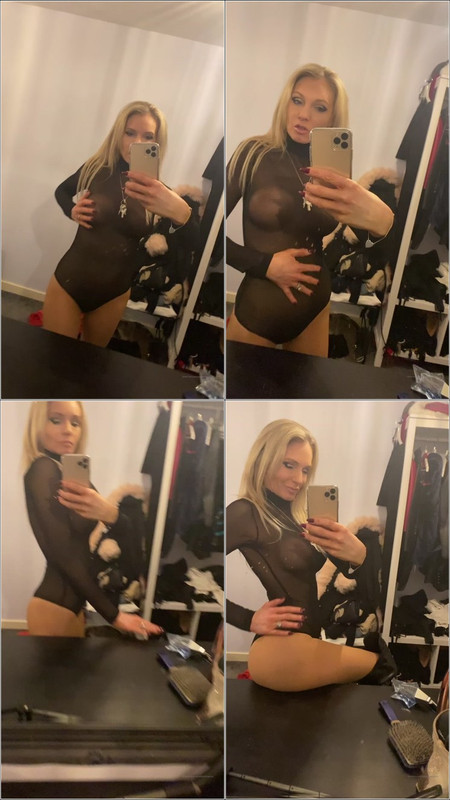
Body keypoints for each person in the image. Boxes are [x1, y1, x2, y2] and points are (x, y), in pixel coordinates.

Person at [226, 63, 394, 356]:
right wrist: (264, 264)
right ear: (286, 102)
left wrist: (380, 224)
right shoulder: (251, 154)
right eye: (297, 100)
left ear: (333, 117)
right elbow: (208, 238)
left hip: (315, 310)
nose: (304, 114)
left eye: (320, 107)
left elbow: (365, 242)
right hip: (259, 313)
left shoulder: (330, 171)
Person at [226, 419, 397, 691]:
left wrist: (358, 554)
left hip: (303, 642)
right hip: (281, 649)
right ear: (264, 460)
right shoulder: (246, 512)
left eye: (306, 470)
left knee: (376, 656)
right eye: (289, 465)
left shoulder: (299, 517)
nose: (299, 479)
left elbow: (356, 577)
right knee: (381, 666)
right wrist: (247, 619)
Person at [42, 101, 196, 347]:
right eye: (130, 133)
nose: (136, 142)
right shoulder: (96, 169)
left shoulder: (159, 194)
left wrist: (183, 213)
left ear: (157, 143)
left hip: (113, 295)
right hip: (69, 283)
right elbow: (62, 191)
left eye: (147, 137)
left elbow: (190, 242)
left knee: (90, 363)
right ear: (118, 134)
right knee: (53, 359)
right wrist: (71, 210)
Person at [22, 400, 163, 638]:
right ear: (38, 424)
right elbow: (64, 556)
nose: (68, 430)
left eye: (75, 423)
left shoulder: (67, 474)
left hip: (74, 605)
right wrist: (114, 615)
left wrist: (111, 514)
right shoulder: (42, 469)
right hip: (54, 607)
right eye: (56, 420)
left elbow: (122, 531)